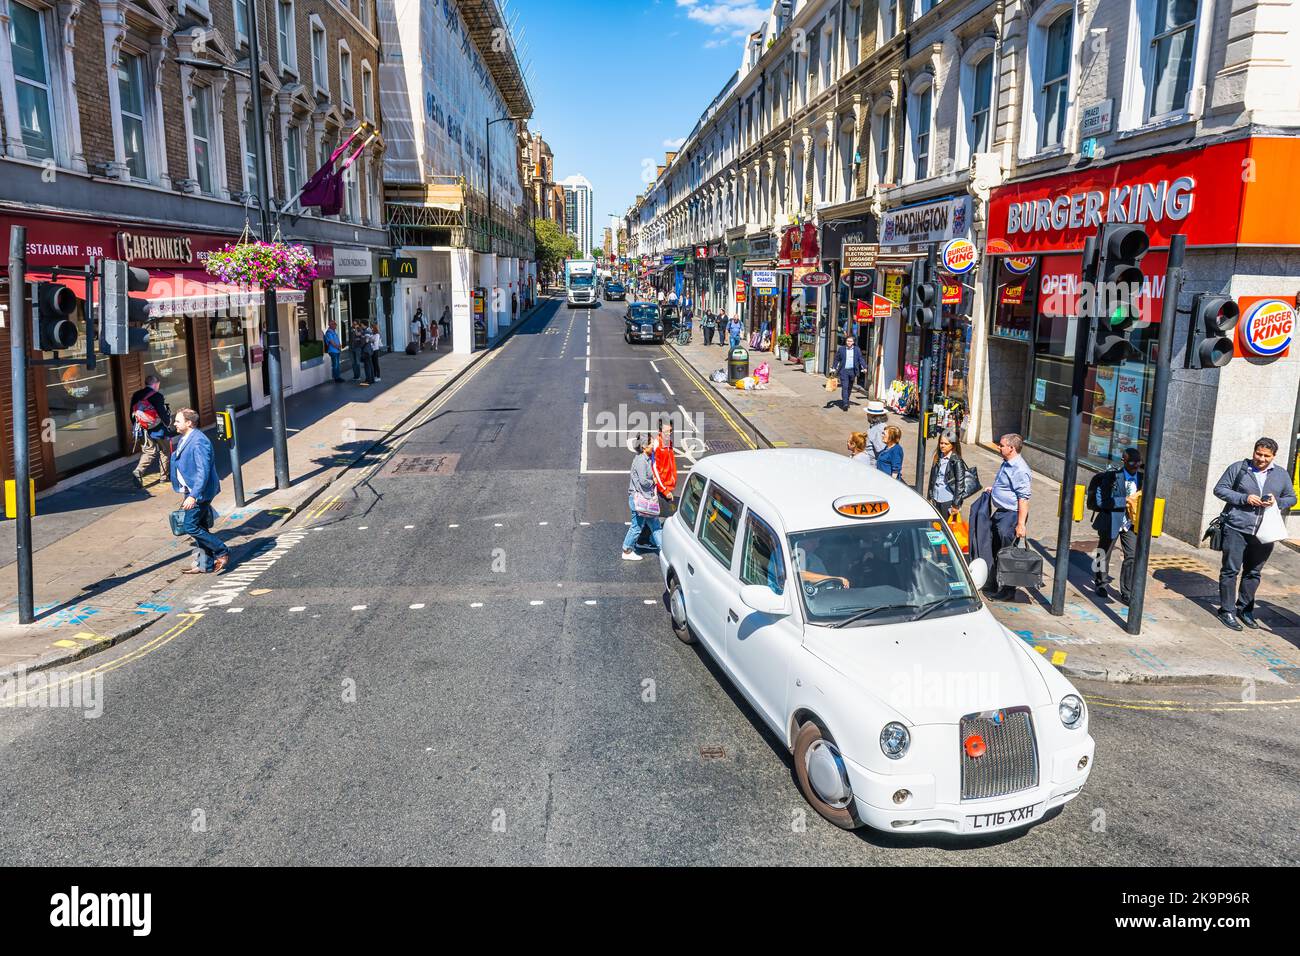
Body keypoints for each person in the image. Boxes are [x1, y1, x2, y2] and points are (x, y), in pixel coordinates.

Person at [1212, 437, 1297, 630]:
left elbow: (1291, 498)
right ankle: (1226, 610)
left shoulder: (1281, 475)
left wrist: (1277, 502)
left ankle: (1245, 609)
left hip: (1265, 532)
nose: (1261, 459)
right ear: (1254, 452)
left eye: (1266, 456)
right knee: (1230, 570)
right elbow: (1220, 489)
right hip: (1237, 528)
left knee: (1253, 572)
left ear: (1274, 456)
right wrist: (1244, 498)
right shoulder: (1239, 468)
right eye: (1259, 454)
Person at [170, 407, 230, 575]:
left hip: (199, 492)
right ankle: (205, 564)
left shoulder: (198, 441)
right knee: (201, 525)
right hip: (191, 490)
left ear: (189, 423)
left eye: (178, 421)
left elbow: (202, 471)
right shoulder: (185, 438)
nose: (174, 423)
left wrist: (193, 496)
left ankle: (222, 551)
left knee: (190, 526)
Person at [1088, 446, 1143, 603]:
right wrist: (1125, 501)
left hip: (1130, 523)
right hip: (1111, 519)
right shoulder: (1111, 477)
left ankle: (1127, 591)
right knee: (1103, 553)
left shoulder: (1142, 478)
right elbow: (1102, 501)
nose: (1135, 466)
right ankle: (1100, 584)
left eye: (1138, 463)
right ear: (1123, 461)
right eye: (1132, 463)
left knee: (1131, 555)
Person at [986, 433, 1032, 601]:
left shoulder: (1020, 469)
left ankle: (1007, 591)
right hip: (1001, 512)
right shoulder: (1007, 463)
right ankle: (994, 582)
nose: (999, 447)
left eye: (1002, 445)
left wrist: (1020, 524)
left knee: (1007, 554)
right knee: (994, 547)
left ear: (1012, 448)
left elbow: (1023, 499)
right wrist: (995, 490)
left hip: (1011, 515)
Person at [621, 437, 663, 561]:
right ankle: (626, 550)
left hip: (645, 499)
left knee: (655, 525)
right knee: (637, 526)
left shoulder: (646, 458)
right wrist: (653, 481)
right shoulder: (640, 461)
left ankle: (664, 549)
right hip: (639, 499)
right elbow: (643, 481)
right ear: (644, 447)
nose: (653, 447)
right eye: (651, 444)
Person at [129, 374, 171, 487]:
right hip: (158, 428)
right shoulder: (157, 396)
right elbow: (162, 413)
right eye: (158, 384)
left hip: (143, 429)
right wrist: (168, 424)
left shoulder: (136, 395)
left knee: (149, 451)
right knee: (165, 450)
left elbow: (132, 414)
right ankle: (164, 477)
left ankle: (138, 471)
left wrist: (139, 426)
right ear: (155, 384)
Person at [928, 433, 970, 518]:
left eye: (946, 444)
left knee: (947, 527)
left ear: (953, 445)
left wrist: (956, 504)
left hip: (948, 500)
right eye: (941, 443)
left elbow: (960, 484)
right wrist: (929, 495)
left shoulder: (956, 461)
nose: (942, 446)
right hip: (936, 497)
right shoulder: (938, 457)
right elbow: (932, 478)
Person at [832, 334, 865, 412]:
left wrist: (864, 367)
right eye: (847, 341)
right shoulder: (841, 349)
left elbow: (861, 359)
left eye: (850, 341)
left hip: (852, 371)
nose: (849, 342)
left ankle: (847, 399)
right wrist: (834, 367)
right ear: (846, 341)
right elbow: (836, 359)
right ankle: (845, 403)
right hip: (844, 371)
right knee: (845, 387)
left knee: (850, 387)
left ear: (853, 342)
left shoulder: (857, 349)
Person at [652, 418, 678, 516]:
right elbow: (655, 470)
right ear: (659, 431)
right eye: (666, 432)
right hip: (661, 489)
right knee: (660, 517)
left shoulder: (668, 443)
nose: (669, 434)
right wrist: (664, 490)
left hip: (669, 486)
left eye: (670, 431)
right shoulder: (657, 445)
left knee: (666, 515)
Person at [861, 400, 889, 469]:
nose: (867, 415)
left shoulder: (879, 429)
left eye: (868, 413)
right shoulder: (876, 426)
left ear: (873, 416)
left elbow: (881, 450)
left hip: (873, 466)